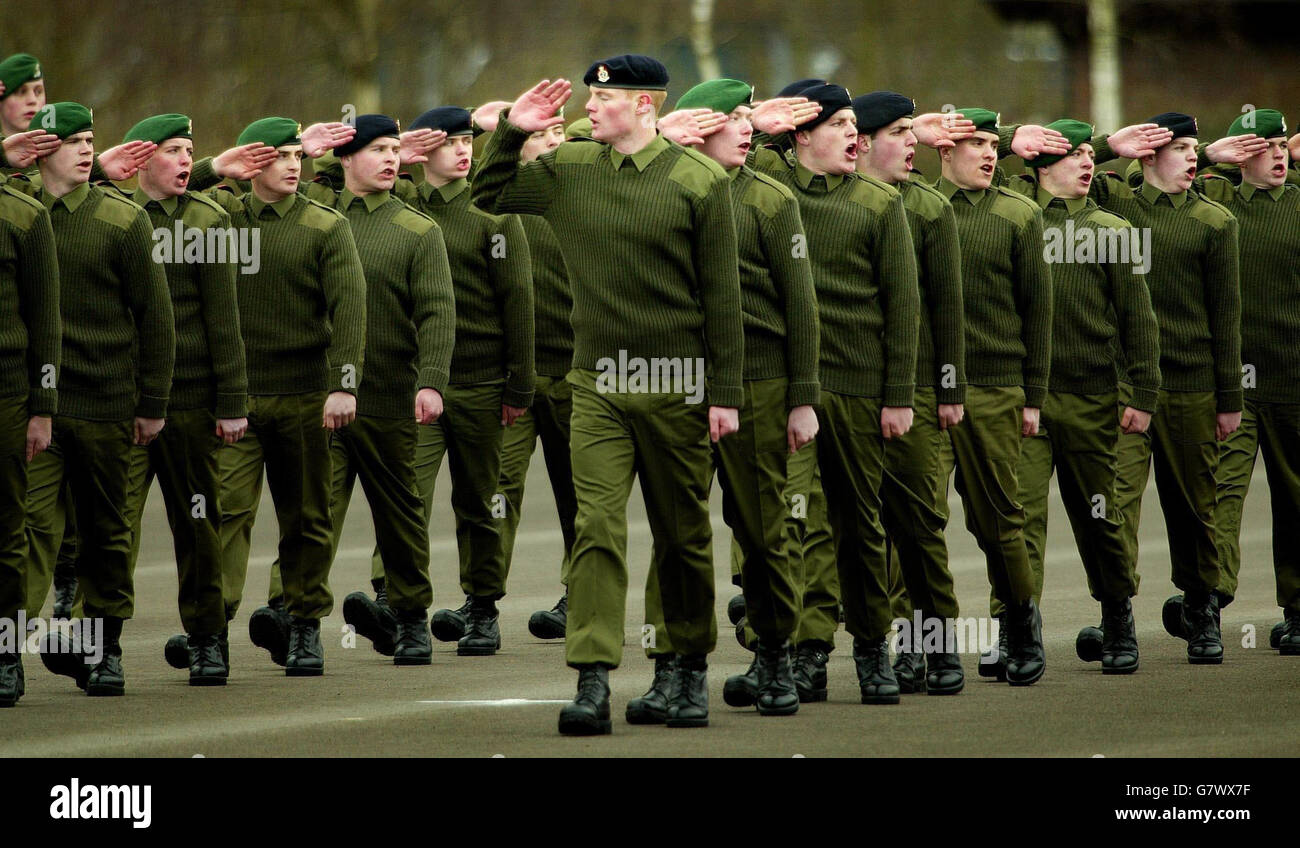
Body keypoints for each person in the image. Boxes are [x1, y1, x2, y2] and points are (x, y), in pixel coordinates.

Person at [473, 56, 744, 734]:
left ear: (646, 105)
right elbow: (488, 195)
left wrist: (724, 393)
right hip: (597, 382)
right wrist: (511, 130)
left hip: (678, 385)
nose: (590, 108)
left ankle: (680, 670)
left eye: (605, 98)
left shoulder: (699, 180)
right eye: (589, 98)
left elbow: (723, 300)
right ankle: (592, 679)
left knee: (681, 534)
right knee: (595, 526)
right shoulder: (567, 170)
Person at [647, 78, 819, 718]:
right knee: (674, 527)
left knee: (762, 524)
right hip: (680, 381)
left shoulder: (771, 200)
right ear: (694, 126)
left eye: (750, 117)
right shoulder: (663, 187)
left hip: (761, 381)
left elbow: (801, 308)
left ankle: (774, 654)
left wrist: (803, 397)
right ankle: (674, 665)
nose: (746, 128)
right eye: (730, 117)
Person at [748, 83, 921, 704]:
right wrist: (762, 123)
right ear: (800, 135)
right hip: (788, 388)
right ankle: (805, 649)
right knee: (793, 523)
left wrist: (898, 396)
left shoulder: (878, 204)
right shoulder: (768, 191)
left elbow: (904, 309)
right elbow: (723, 149)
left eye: (856, 124)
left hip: (857, 389)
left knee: (859, 523)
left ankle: (874, 648)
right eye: (838, 124)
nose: (853, 135)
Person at [364, 105, 534, 658]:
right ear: (424, 151)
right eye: (450, 143)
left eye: (469, 142)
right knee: (404, 494)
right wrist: (400, 156)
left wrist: (519, 387)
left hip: (482, 382)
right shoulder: (400, 205)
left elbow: (519, 307)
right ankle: (395, 602)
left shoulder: (494, 216)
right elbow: (336, 188)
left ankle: (483, 610)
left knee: (480, 502)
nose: (464, 151)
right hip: (416, 383)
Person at [21, 102, 175, 696]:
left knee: (106, 531)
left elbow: (155, 318)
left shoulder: (123, 220)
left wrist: (153, 401)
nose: (86, 150)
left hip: (107, 403)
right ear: (41, 150)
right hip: (37, 406)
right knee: (28, 529)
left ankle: (104, 647)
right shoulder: (19, 214)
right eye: (70, 141)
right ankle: (10, 649)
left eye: (90, 140)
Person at [998, 118, 1161, 673]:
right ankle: (1017, 627)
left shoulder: (1113, 230)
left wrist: (1141, 392)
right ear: (1042, 169)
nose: (1088, 165)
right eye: (1074, 157)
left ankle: (1118, 617)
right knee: (1017, 515)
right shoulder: (1013, 219)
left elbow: (1139, 321)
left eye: (1093, 157)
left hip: (1093, 397)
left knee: (1100, 515)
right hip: (1027, 401)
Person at [293, 114, 457, 666]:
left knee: (401, 514)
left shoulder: (417, 229)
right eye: (376, 150)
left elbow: (437, 313)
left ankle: (411, 621)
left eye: (394, 150)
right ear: (344, 159)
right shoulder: (314, 220)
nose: (390, 159)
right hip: (320, 398)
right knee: (313, 512)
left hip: (390, 393)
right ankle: (301, 624)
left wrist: (432, 381)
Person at [214, 116, 366, 676]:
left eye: (296, 155)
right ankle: (211, 630)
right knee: (225, 512)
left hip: (306, 394)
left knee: (306, 514)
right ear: (252, 163)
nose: (292, 164)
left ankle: (304, 627)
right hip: (239, 396)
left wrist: (342, 384)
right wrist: (217, 171)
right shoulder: (222, 220)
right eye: (278, 156)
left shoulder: (325, 227)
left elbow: (350, 311)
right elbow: (168, 209)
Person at [1087, 112, 1242, 664]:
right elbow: (1055, 170)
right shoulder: (1113, 206)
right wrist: (1111, 145)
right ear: (1149, 156)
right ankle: (1117, 617)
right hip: (1127, 389)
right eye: (1179, 148)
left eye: (1195, 149)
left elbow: (1227, 318)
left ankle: (1202, 613)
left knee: (1195, 507)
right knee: (1113, 507)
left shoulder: (1214, 221)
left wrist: (1230, 399)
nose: (1192, 158)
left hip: (1192, 386)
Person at [113, 114, 249, 685]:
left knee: (196, 522)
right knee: (112, 526)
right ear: (143, 159)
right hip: (120, 400)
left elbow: (225, 322)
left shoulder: (207, 220)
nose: (187, 160)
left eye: (191, 151)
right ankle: (103, 645)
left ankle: (207, 638)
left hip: (190, 400)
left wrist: (232, 401)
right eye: (173, 150)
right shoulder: (115, 220)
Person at [928, 107, 1053, 686]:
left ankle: (1020, 628)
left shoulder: (1018, 214)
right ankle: (925, 643)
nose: (987, 154)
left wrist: (1032, 397)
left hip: (997, 388)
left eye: (992, 144)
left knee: (998, 520)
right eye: (974, 143)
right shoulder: (914, 208)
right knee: (919, 521)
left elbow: (1038, 315)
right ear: (942, 150)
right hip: (924, 391)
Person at [852, 91, 967, 694]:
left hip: (917, 389)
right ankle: (890, 645)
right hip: (846, 389)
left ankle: (939, 644)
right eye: (898, 132)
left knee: (919, 526)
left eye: (911, 131)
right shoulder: (828, 196)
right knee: (859, 526)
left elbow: (947, 308)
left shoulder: (927, 208)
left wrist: (949, 390)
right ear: (863, 140)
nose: (913, 142)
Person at [1190, 109, 1300, 655]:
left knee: (1295, 497)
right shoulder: (1214, 204)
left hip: (1294, 378)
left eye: (1282, 145)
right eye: (1263, 146)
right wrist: (1211, 153)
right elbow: (1142, 186)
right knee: (1221, 494)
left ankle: (1299, 611)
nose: (1277, 155)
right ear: (1239, 155)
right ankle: (1209, 600)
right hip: (1231, 385)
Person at [0, 151, 60, 707]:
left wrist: (42, 406)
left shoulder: (22, 215)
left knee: (5, 535)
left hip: (7, 396)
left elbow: (44, 317)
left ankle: (4, 655)